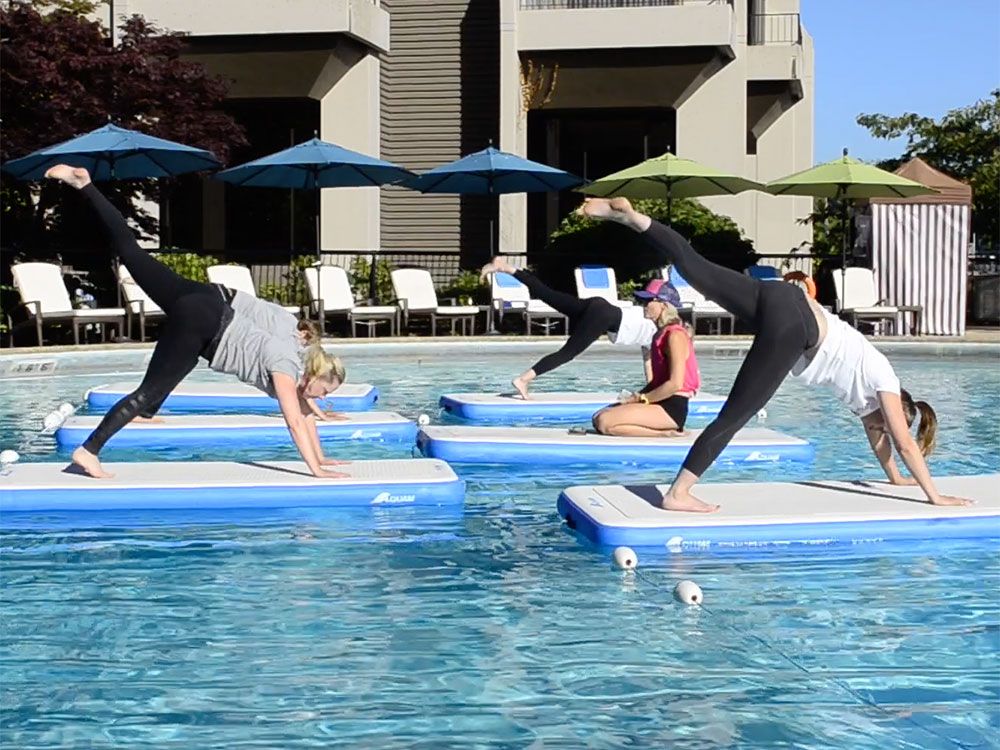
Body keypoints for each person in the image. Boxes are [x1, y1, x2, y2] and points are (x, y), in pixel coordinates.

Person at [579, 196, 972, 512]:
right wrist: (933, 495)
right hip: (795, 326)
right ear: (897, 406)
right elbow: (901, 443)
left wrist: (896, 479)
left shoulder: (869, 395)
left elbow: (884, 445)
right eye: (888, 422)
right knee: (733, 416)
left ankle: (630, 218)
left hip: (780, 296)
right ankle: (678, 493)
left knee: (695, 266)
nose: (880, 427)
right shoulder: (885, 381)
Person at [46, 165, 349, 480]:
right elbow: (295, 423)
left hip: (206, 307)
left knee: (133, 254)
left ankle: (85, 185)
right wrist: (316, 471)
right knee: (146, 392)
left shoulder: (296, 366)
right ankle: (89, 450)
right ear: (312, 375)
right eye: (325, 391)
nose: (323, 399)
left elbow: (305, 416)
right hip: (204, 323)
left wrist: (323, 458)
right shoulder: (287, 368)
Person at [479, 257, 662, 399]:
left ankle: (505, 267)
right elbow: (649, 361)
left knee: (547, 295)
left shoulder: (656, 327)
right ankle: (523, 380)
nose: (647, 304)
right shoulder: (660, 330)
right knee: (567, 353)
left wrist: (650, 390)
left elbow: (648, 362)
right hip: (602, 317)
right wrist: (653, 391)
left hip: (598, 306)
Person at [592, 279, 700, 438]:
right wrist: (632, 399)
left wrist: (643, 399)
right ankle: (660, 430)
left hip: (671, 407)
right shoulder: (660, 334)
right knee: (598, 416)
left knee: (604, 421)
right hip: (659, 401)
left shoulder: (675, 336)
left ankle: (665, 433)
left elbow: (675, 384)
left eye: (648, 300)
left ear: (663, 304)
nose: (643, 304)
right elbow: (657, 382)